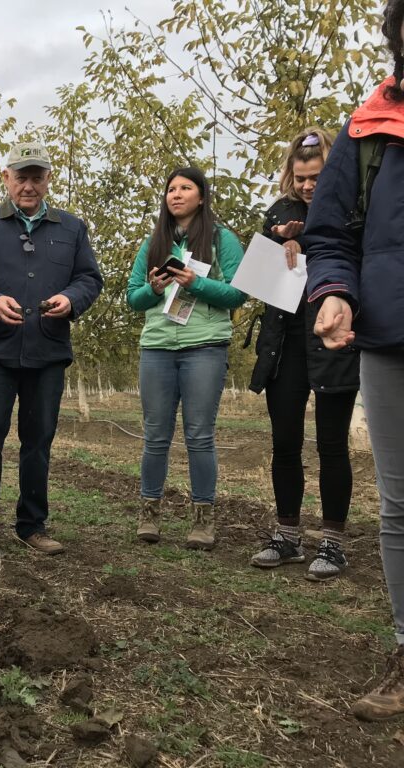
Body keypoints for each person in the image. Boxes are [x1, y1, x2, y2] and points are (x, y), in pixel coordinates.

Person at [306, 0, 404, 720]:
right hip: (391, 336)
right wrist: (335, 292)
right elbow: (332, 232)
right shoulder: (367, 131)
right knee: (400, 508)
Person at [0, 141, 103, 558]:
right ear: (6, 178)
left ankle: (32, 524)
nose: (29, 186)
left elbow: (90, 278)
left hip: (47, 350)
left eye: (37, 177)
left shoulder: (72, 228)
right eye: (21, 177)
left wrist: (73, 299)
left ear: (48, 179)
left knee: (38, 439)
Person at [248, 128, 359, 580]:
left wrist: (308, 241)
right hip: (286, 339)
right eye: (300, 178)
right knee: (285, 442)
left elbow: (353, 261)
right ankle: (288, 535)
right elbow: (263, 280)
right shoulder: (277, 212)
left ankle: (332, 543)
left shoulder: (351, 212)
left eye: (315, 176)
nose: (308, 185)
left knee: (332, 444)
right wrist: (279, 242)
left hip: (332, 337)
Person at [126, 167, 246, 550]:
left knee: (199, 435)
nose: (176, 194)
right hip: (158, 347)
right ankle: (149, 514)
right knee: (156, 434)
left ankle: (202, 520)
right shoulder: (154, 243)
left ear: (202, 196)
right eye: (171, 188)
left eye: (185, 187)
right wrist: (153, 287)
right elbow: (133, 298)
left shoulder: (221, 239)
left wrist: (198, 284)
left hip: (205, 346)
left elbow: (238, 294)